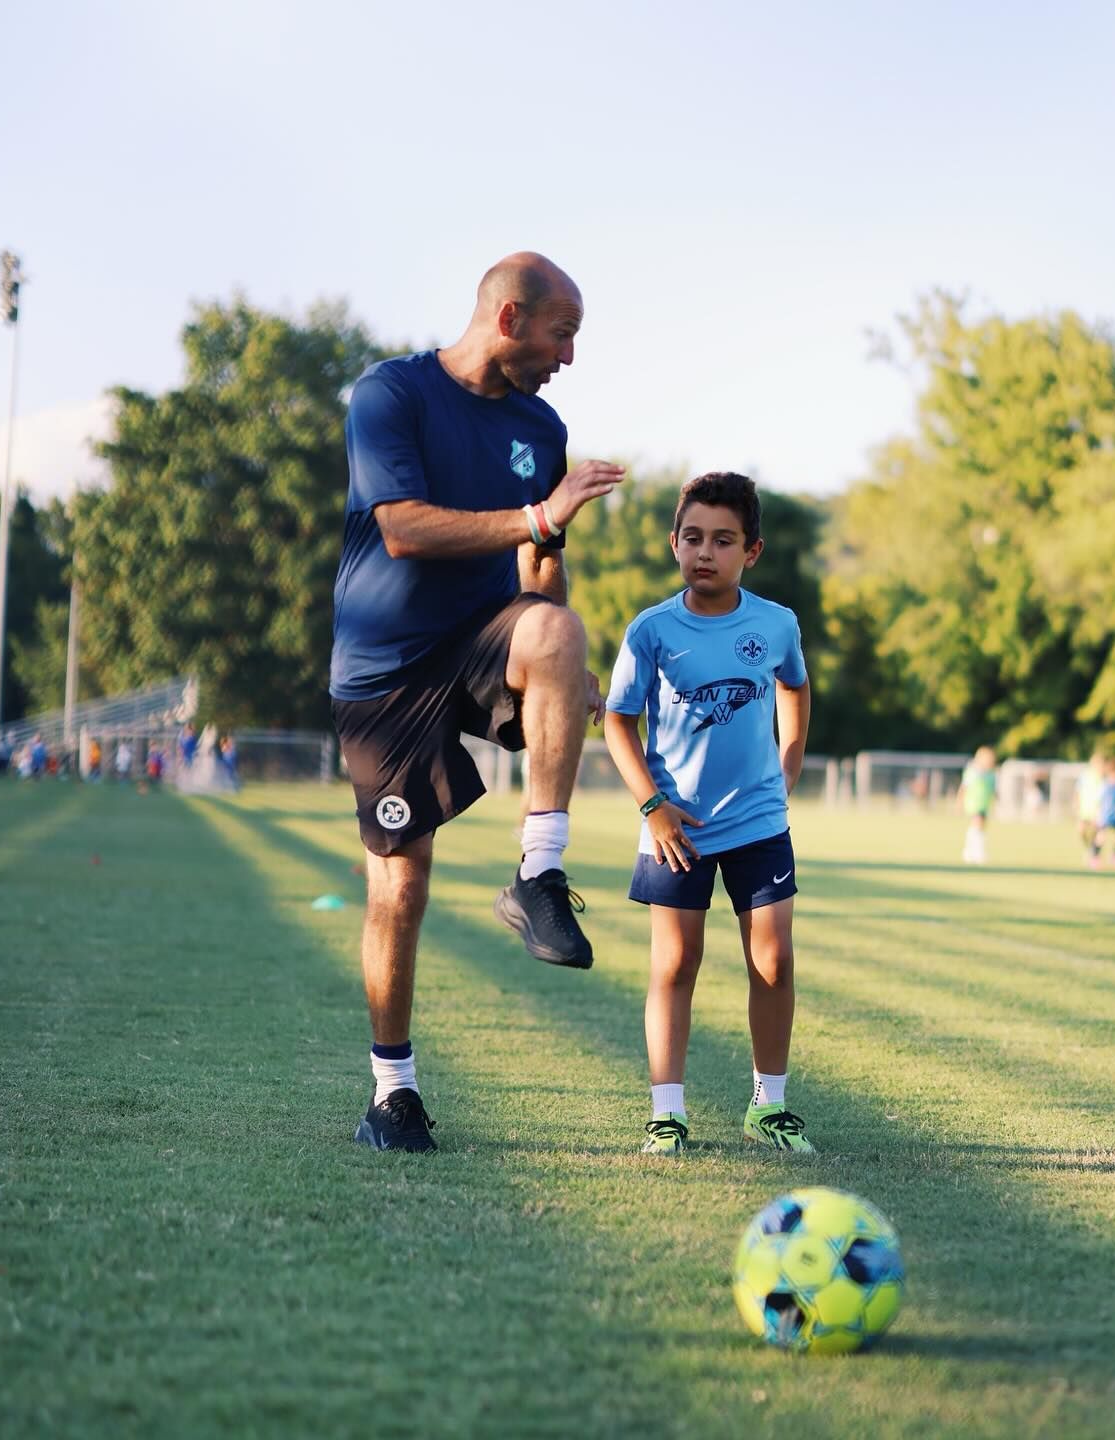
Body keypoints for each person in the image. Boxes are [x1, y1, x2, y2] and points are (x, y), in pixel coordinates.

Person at [330, 252, 625, 1154]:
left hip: (480, 641)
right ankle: (393, 1093)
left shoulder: (542, 426)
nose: (568, 357)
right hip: (385, 673)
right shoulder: (391, 395)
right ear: (508, 320)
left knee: (561, 633)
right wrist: (538, 518)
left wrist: (561, 666)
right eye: (561, 334)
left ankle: (539, 873)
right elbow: (404, 528)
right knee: (401, 885)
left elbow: (539, 567)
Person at [603, 472, 813, 1156]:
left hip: (758, 821)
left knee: (774, 959)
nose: (705, 552)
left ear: (750, 551)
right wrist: (653, 807)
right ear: (674, 542)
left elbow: (795, 687)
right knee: (674, 963)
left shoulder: (776, 623)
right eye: (693, 537)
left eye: (723, 541)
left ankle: (769, 1107)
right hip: (677, 827)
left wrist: (789, 762)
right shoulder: (651, 631)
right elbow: (616, 722)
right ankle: (668, 1113)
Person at [959, 745, 997, 864]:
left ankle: (969, 851)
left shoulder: (991, 774)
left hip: (984, 804)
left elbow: (993, 790)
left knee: (979, 826)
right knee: (978, 825)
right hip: (974, 803)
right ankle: (977, 852)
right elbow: (964, 787)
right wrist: (959, 801)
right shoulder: (973, 772)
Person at [1090, 757, 1115, 869]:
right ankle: (1094, 857)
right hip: (1105, 816)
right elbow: (1099, 801)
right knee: (1101, 837)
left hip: (1114, 816)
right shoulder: (1105, 786)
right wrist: (1097, 815)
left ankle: (1114, 855)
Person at [1076, 752, 1104, 862]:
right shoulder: (1085, 775)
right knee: (1081, 830)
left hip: (1098, 810)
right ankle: (1090, 849)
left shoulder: (1102, 777)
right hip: (1085, 809)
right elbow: (1078, 790)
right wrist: (1076, 803)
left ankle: (1094, 855)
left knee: (1099, 833)